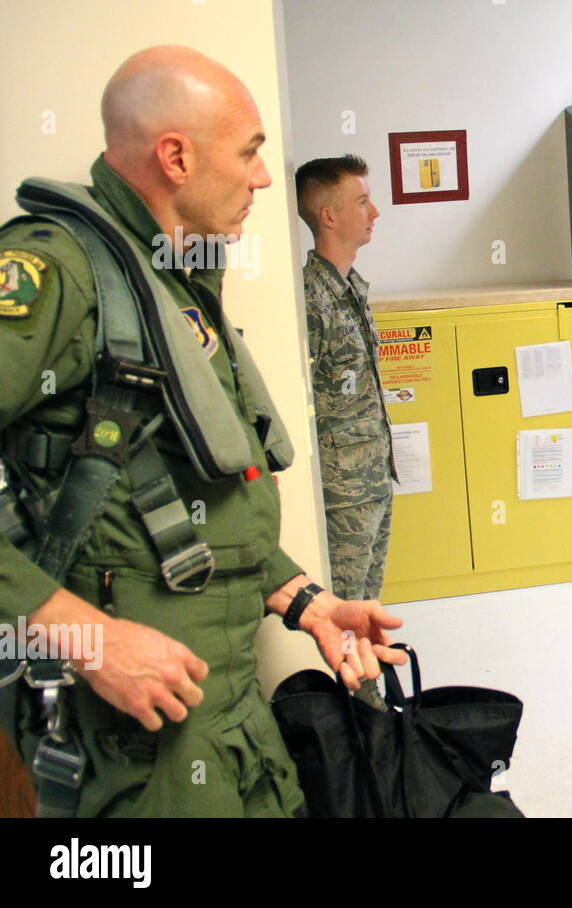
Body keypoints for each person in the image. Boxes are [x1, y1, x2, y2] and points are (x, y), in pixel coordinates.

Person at [0, 45, 405, 816]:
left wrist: (304, 598)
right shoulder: (57, 275)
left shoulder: (169, 283)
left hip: (224, 717)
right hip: (130, 743)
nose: (262, 178)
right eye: (250, 152)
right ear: (176, 157)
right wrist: (87, 638)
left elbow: (191, 493)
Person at [296, 155, 394, 707]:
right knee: (347, 611)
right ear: (329, 215)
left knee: (368, 607)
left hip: (375, 476)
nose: (374, 211)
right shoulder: (310, 297)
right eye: (362, 201)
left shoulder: (351, 285)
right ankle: (361, 721)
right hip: (343, 493)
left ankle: (372, 710)